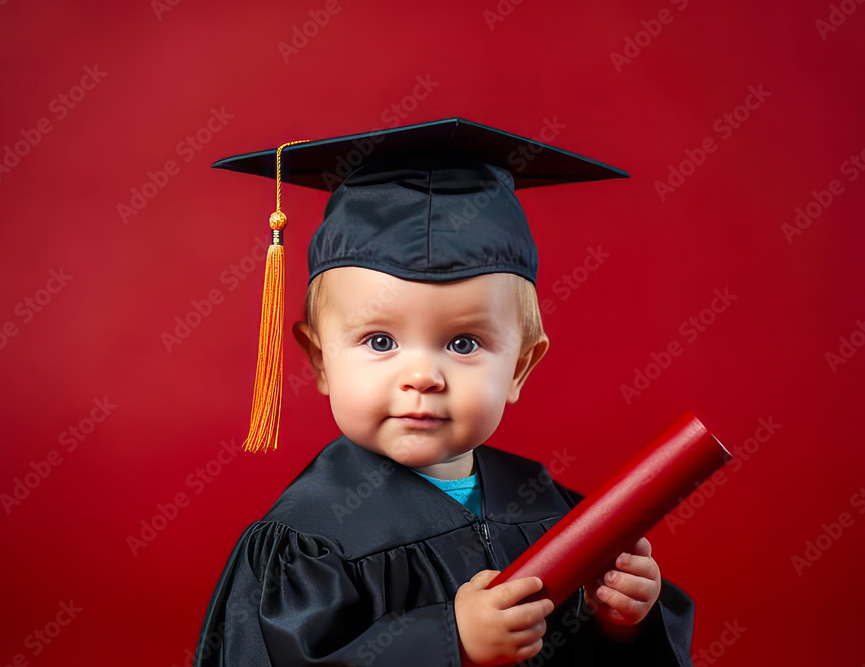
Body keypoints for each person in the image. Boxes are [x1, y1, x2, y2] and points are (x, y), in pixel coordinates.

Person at [194, 118, 694, 666]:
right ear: (319, 361)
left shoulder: (551, 509)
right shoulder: (306, 545)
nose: (423, 376)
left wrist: (625, 624)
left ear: (520, 368)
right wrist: (446, 641)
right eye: (380, 340)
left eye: (463, 343)